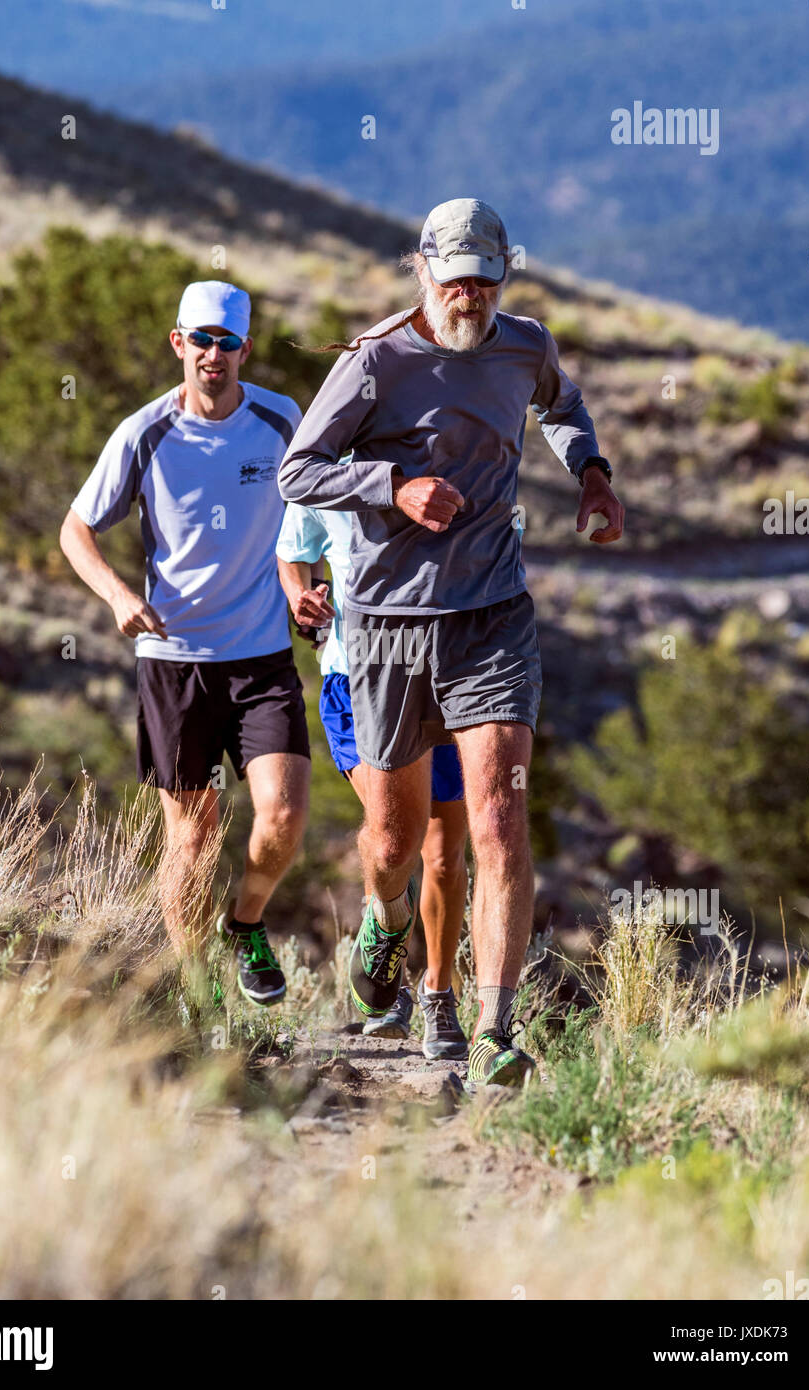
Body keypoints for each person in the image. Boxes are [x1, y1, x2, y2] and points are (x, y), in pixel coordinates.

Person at [278, 199, 624, 1089]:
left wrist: (591, 474)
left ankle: (494, 1024)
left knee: (498, 821)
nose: (469, 296)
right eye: (454, 280)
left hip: (494, 615)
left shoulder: (524, 344)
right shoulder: (373, 361)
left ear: (504, 275)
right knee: (393, 845)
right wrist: (393, 487)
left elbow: (564, 405)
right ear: (422, 272)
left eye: (484, 280)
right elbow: (298, 471)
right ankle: (385, 922)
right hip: (389, 627)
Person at [59, 279, 310, 1007]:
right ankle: (197, 998)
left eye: (227, 342)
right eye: (200, 339)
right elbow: (76, 530)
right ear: (178, 343)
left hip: (262, 656)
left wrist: (304, 586)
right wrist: (119, 595)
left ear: (245, 350)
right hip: (174, 662)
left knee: (284, 815)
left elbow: (311, 512)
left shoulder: (279, 418)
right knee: (192, 837)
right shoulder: (144, 432)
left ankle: (248, 922)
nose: (213, 353)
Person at [276, 500, 468, 1059]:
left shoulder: (456, 451)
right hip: (354, 676)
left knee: (441, 851)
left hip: (445, 680)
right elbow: (294, 553)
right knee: (392, 835)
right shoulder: (329, 463)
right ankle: (387, 936)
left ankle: (437, 995)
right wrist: (300, 597)